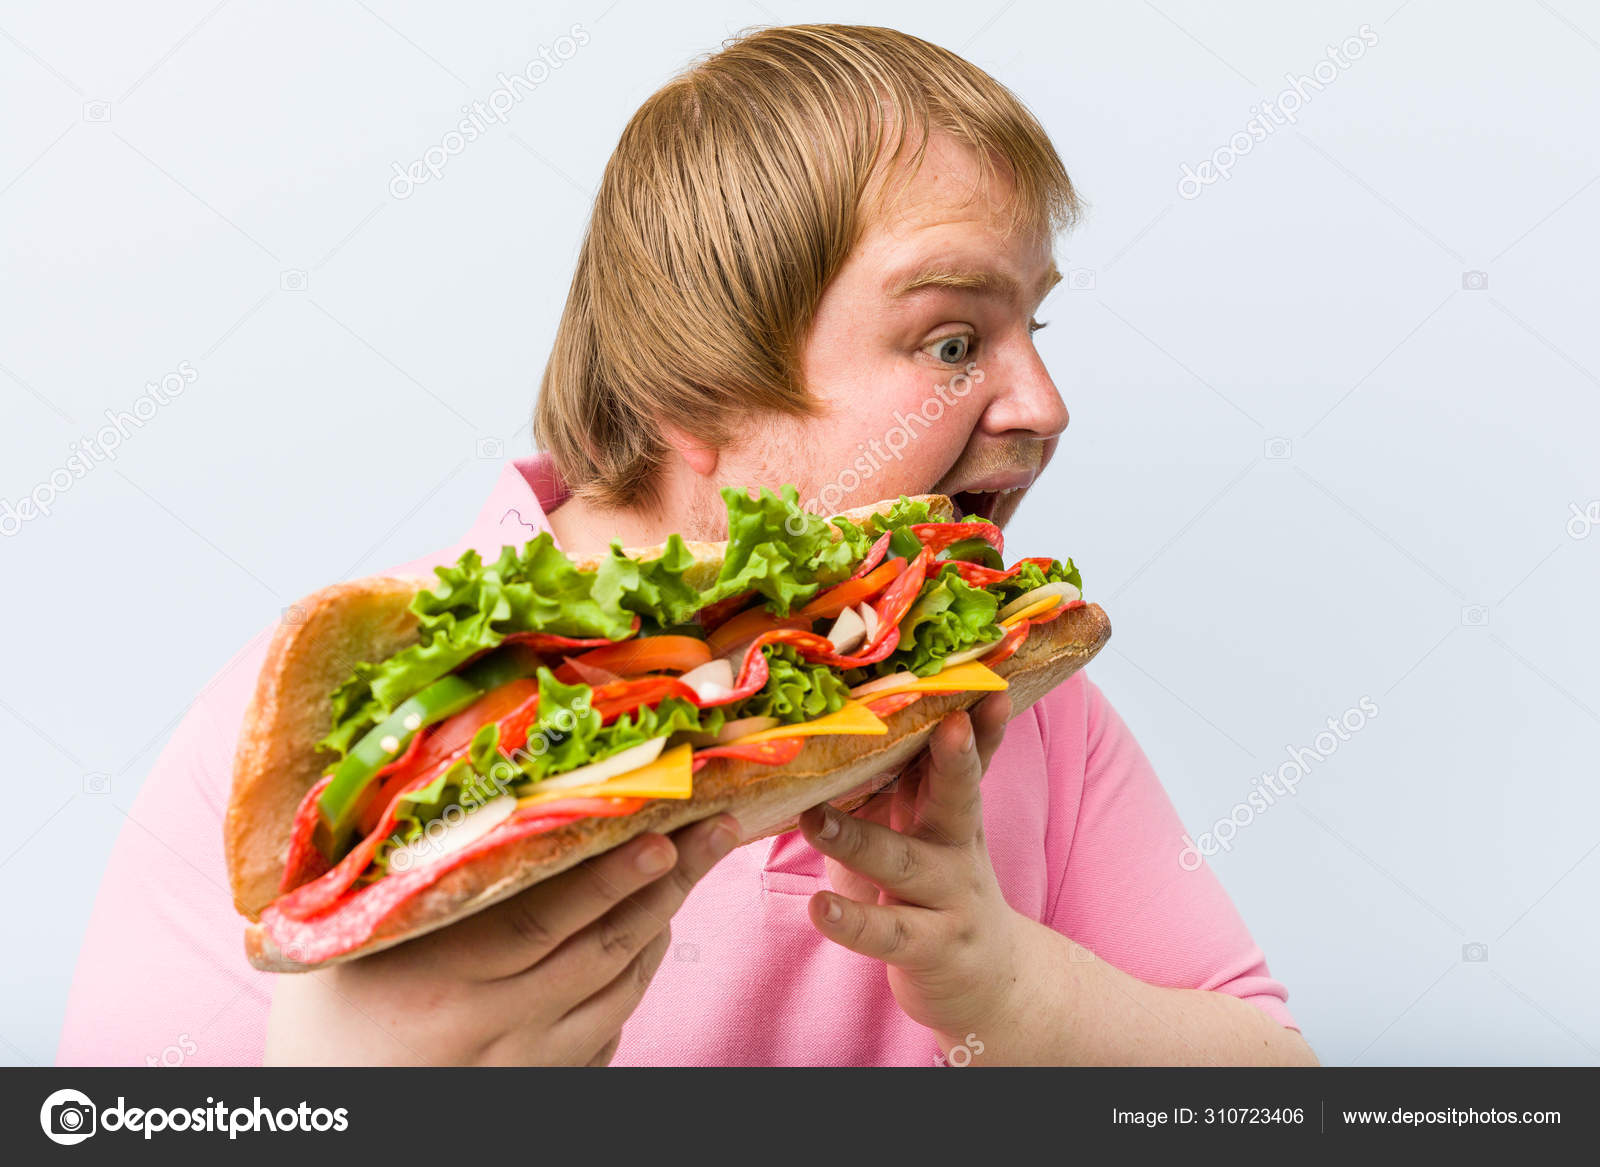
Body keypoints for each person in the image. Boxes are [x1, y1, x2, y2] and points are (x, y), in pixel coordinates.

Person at [58, 24, 1315, 1067]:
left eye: (1034, 324)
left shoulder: (1027, 715)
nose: (1042, 404)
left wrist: (1006, 991)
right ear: (698, 397)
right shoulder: (329, 745)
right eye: (950, 342)